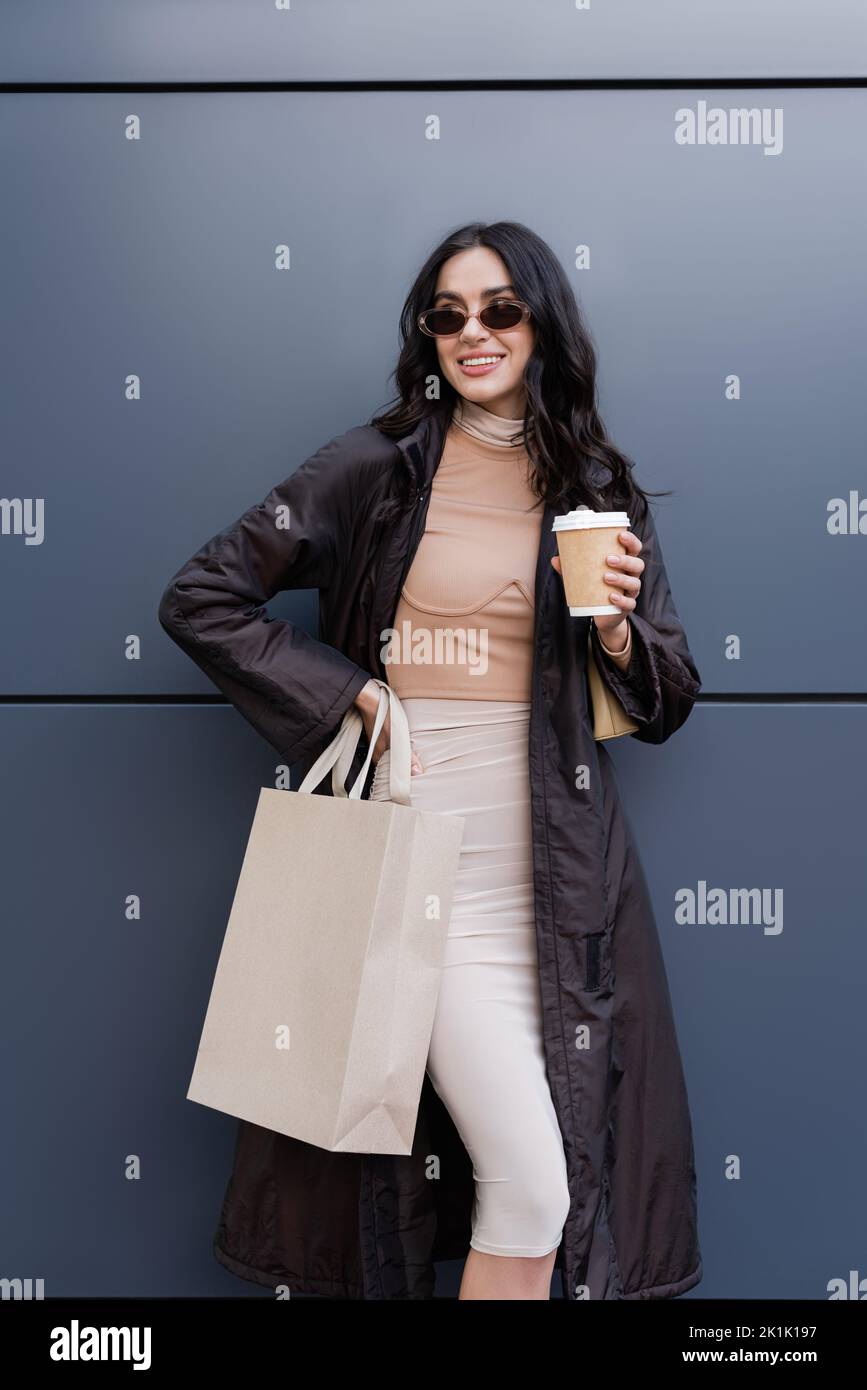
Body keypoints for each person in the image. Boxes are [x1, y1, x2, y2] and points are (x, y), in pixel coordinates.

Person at [159, 220, 703, 1302]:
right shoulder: (376, 465)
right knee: (534, 1187)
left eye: (500, 308)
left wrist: (610, 631)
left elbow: (666, 697)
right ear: (427, 335)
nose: (473, 331)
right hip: (416, 871)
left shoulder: (594, 487)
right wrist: (350, 692)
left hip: (555, 887)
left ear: (542, 321)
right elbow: (200, 599)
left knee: (542, 1196)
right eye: (447, 314)